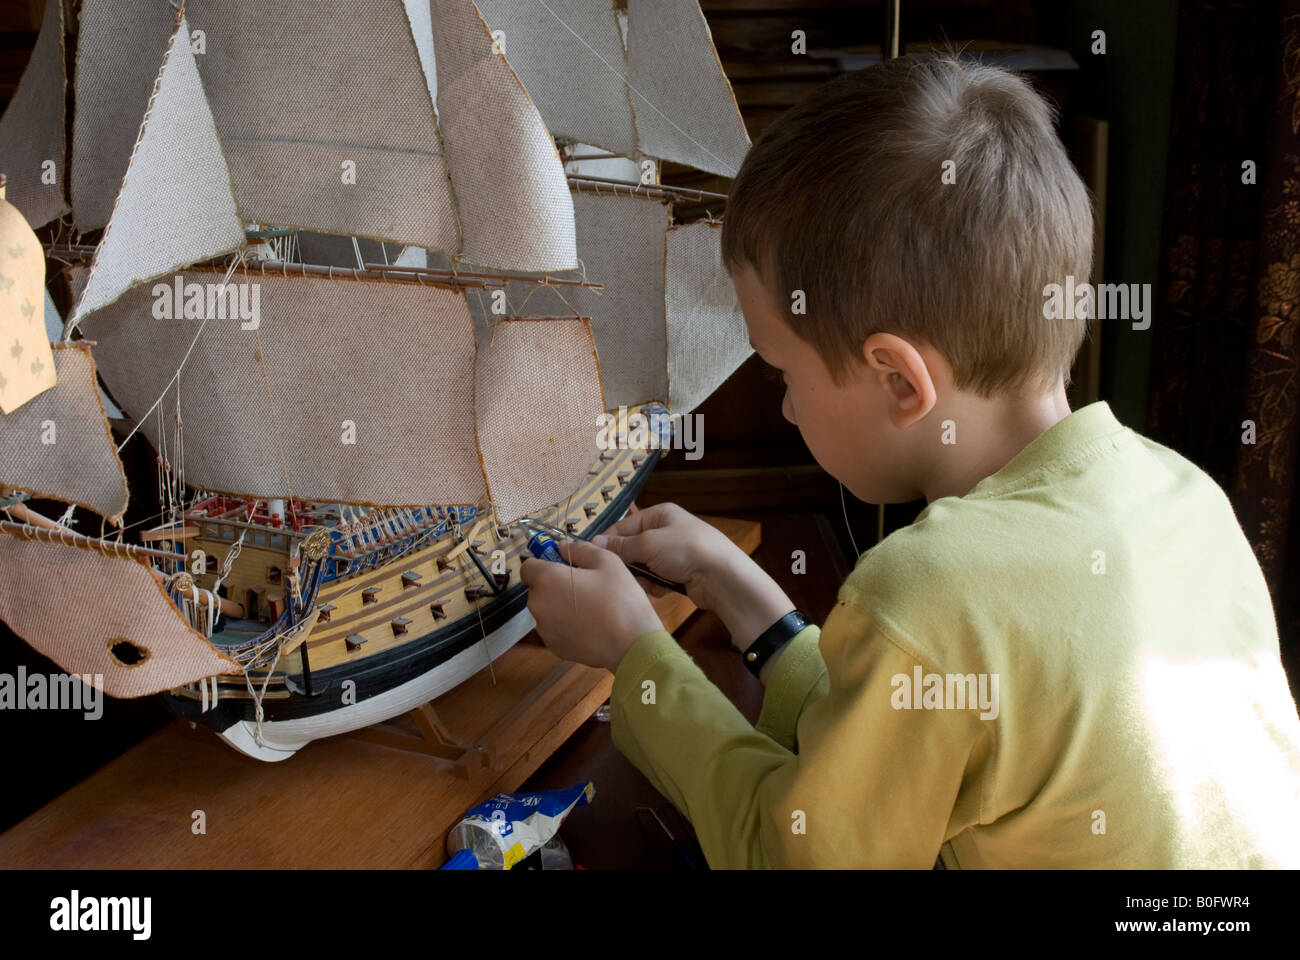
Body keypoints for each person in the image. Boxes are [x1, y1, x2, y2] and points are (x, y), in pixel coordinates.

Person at [519, 56, 1300, 868]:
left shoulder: (931, 590)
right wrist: (748, 601)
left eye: (783, 372)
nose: (783, 407)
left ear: (897, 379)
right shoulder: (1187, 495)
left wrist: (637, 658)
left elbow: (786, 857)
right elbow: (927, 729)